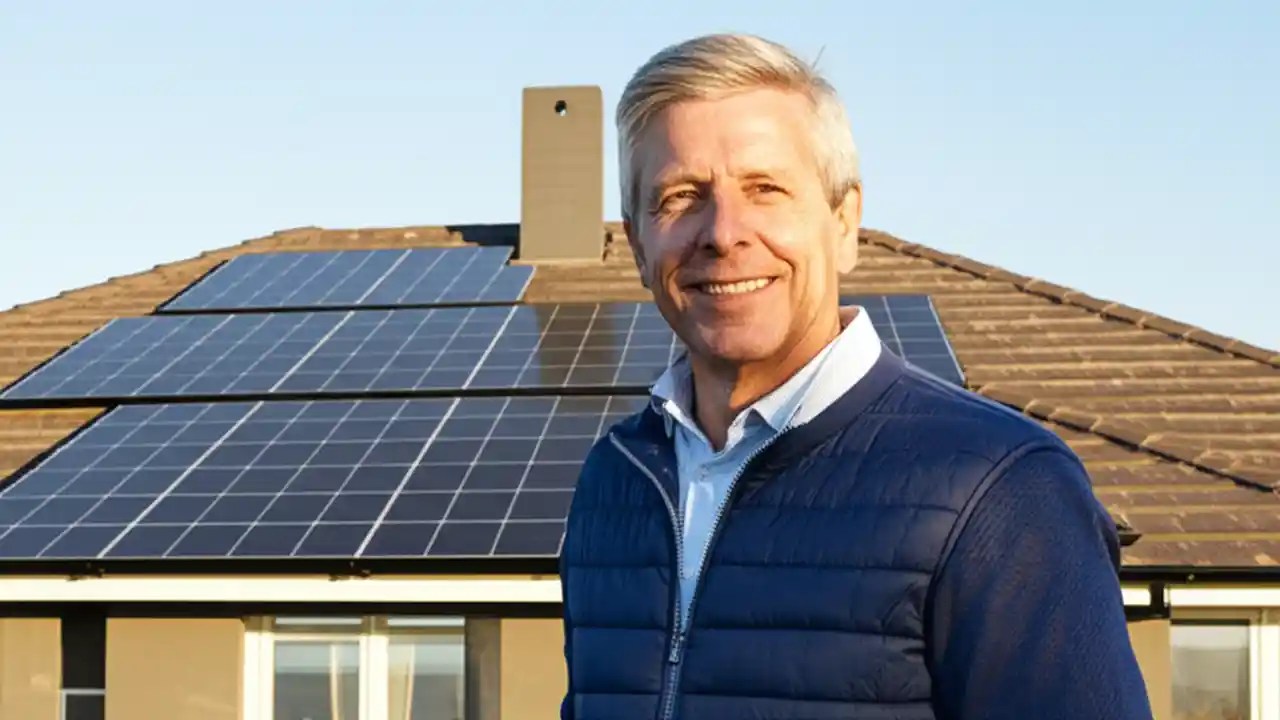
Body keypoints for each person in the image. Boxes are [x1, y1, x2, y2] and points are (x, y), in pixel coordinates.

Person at [558, 32, 1153, 720]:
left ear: (844, 223)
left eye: (766, 188)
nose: (722, 232)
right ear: (637, 244)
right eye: (681, 196)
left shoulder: (999, 490)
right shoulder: (616, 481)